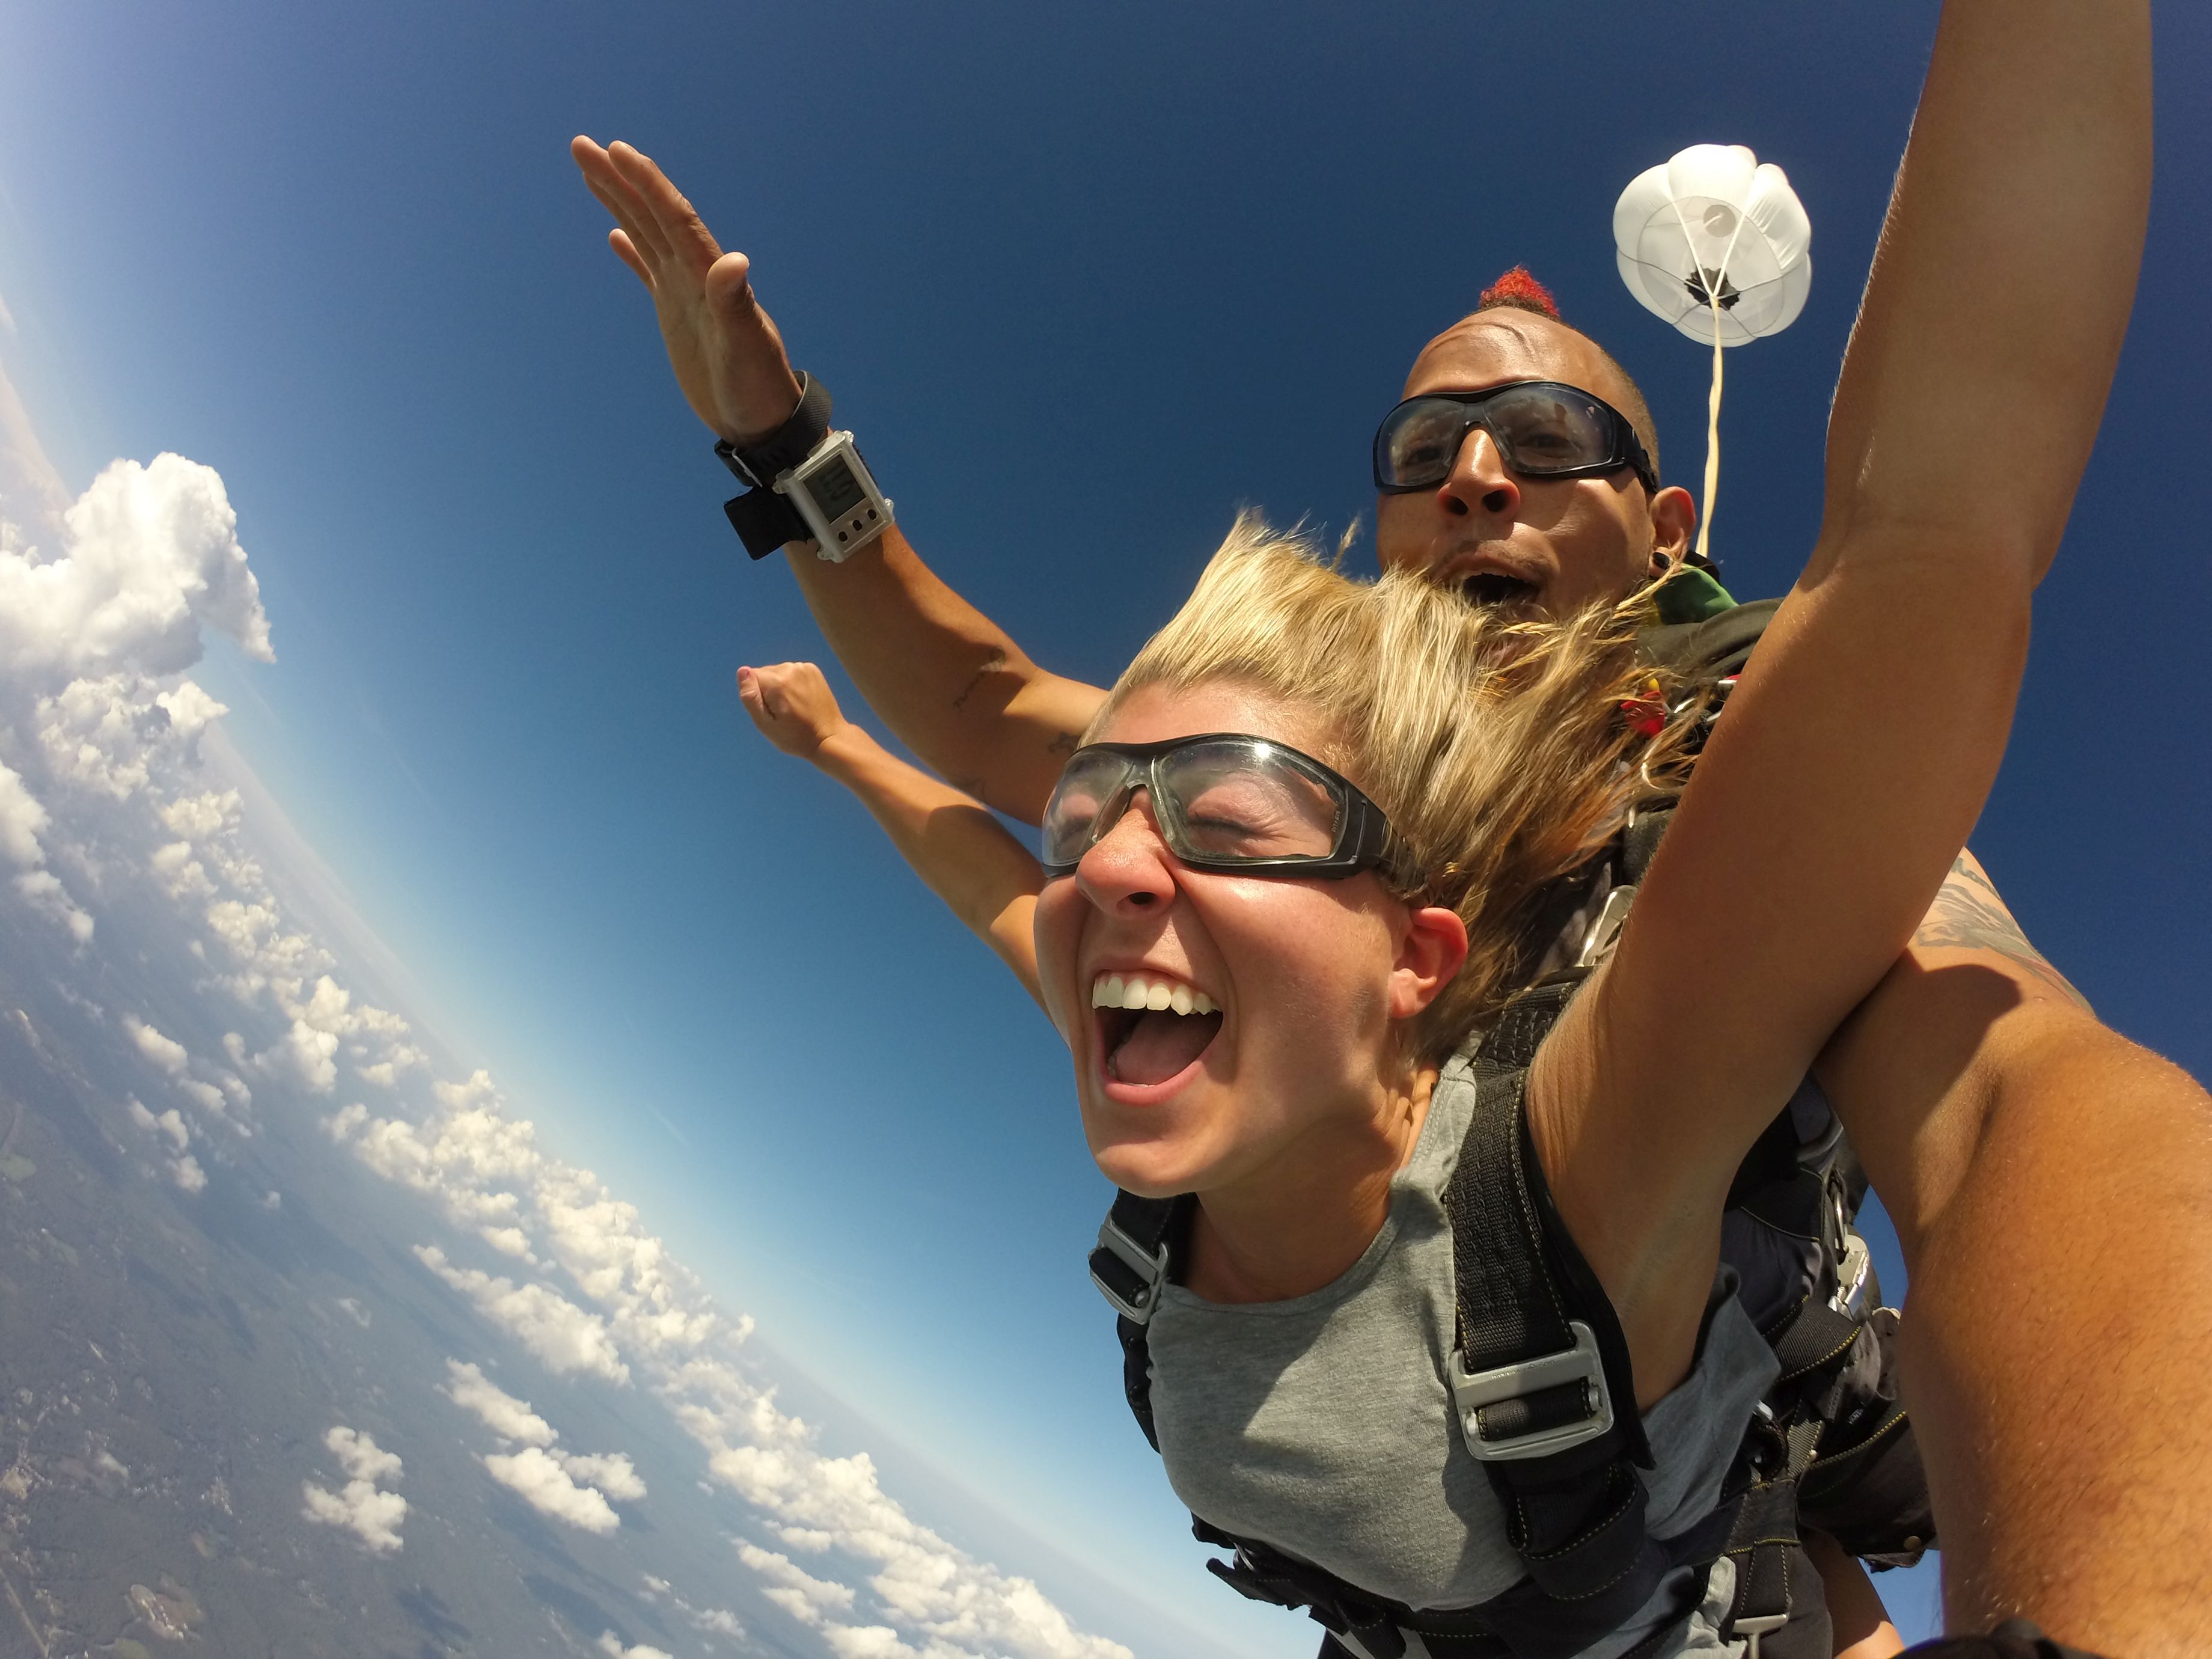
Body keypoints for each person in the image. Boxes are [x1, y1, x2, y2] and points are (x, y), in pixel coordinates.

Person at [576, 2, 2212, 1649]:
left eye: (1547, 442)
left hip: (1661, 1363)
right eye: (1426, 446)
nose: (1477, 474)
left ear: (1664, 529)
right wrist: (784, 448)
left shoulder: (1734, 765)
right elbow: (984, 712)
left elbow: (2016, 1090)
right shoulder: (1290, 792)